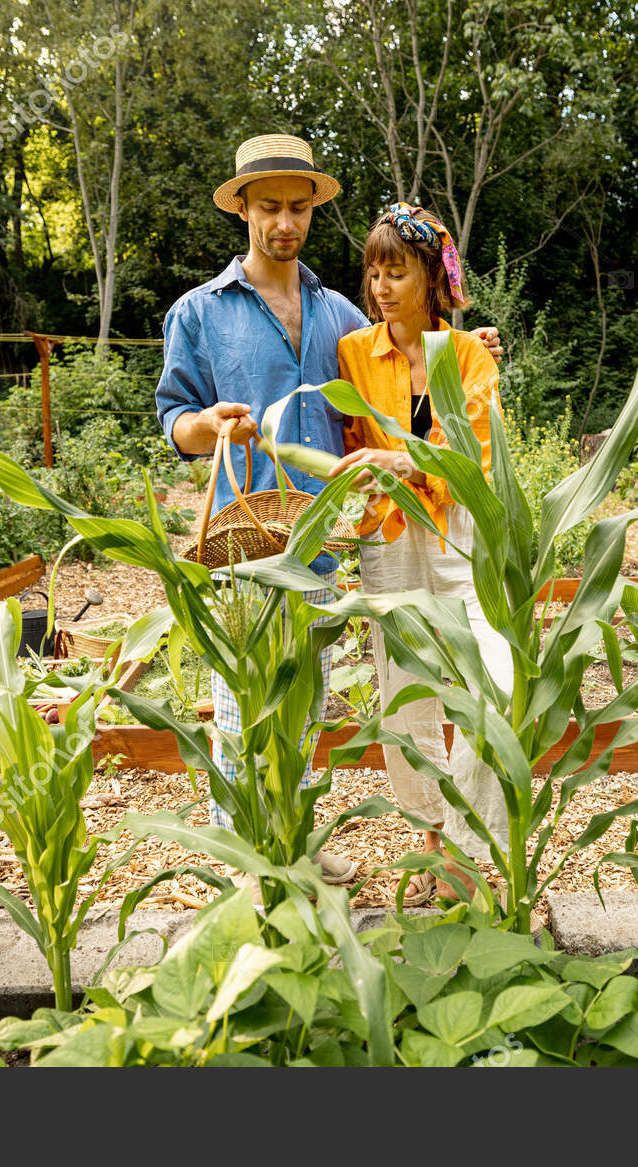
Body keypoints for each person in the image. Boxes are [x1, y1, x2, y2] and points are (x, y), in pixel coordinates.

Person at [154, 135, 501, 888]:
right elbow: (173, 418)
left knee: (307, 705)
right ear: (241, 207)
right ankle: (247, 863)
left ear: (312, 209)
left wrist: (464, 343)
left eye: (299, 207)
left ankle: (301, 845)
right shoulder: (200, 312)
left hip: (320, 541)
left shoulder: (336, 309)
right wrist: (210, 424)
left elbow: (400, 351)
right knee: (242, 708)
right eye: (270, 206)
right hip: (246, 538)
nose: (285, 221)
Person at [330, 204, 512, 906]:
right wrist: (381, 464)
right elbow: (346, 439)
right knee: (405, 691)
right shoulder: (352, 351)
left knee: (493, 683)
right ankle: (431, 839)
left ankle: (468, 841)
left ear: (433, 277)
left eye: (395, 270)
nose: (380, 285)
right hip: (387, 534)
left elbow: (475, 453)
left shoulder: (467, 355)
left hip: (454, 532)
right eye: (373, 270)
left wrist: (394, 459)